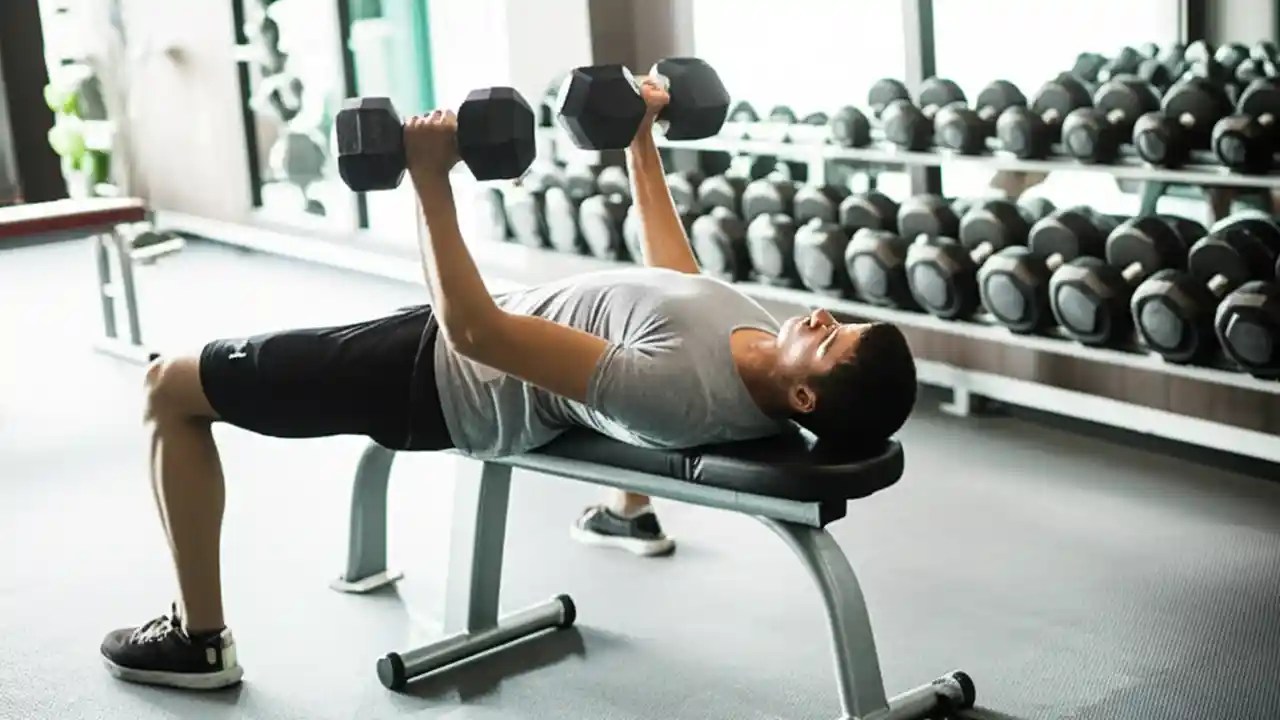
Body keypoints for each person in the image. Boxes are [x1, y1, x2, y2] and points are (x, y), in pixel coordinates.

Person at [99, 78, 918, 691]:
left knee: (170, 385)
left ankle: (197, 641)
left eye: (829, 340)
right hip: (436, 343)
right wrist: (640, 142)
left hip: (432, 375)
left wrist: (429, 178)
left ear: (804, 399)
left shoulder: (676, 391)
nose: (816, 315)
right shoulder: (753, 343)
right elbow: (675, 276)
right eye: (833, 320)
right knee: (195, 379)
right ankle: (621, 517)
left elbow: (477, 333)